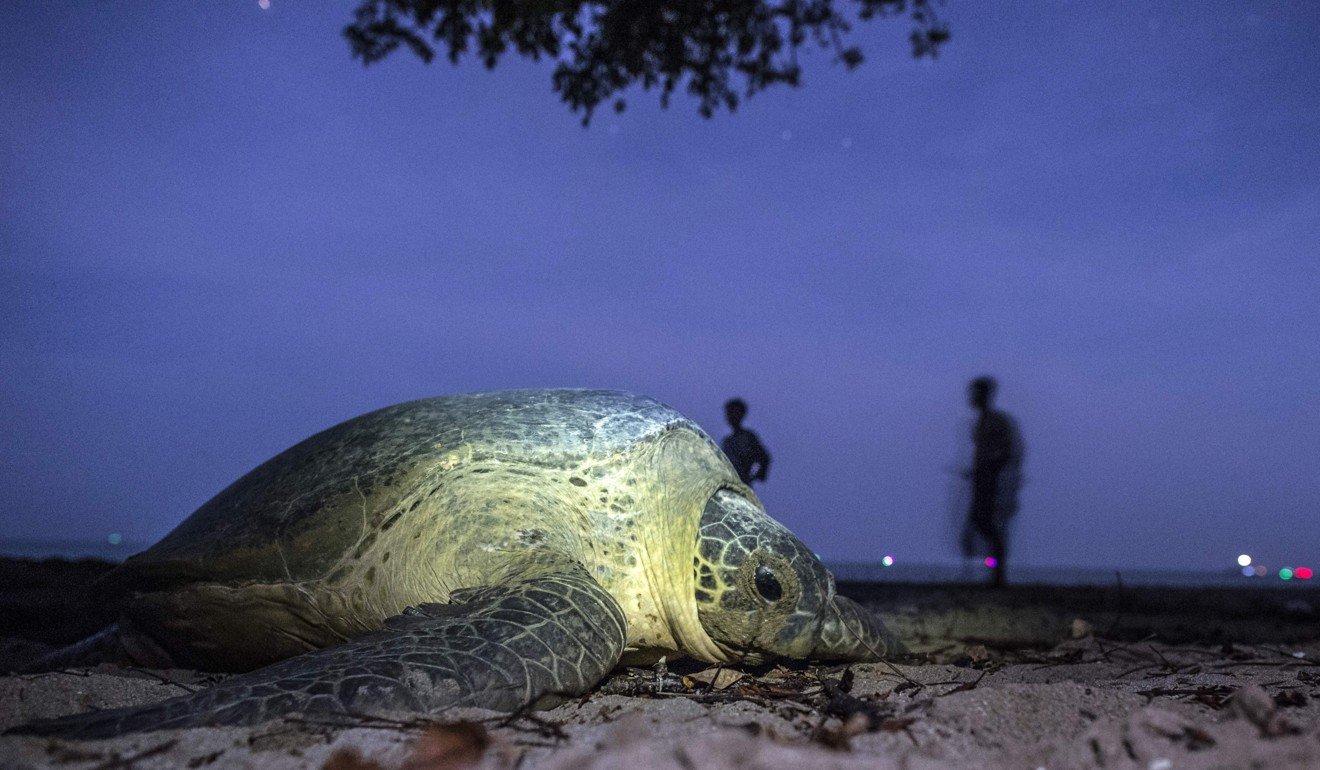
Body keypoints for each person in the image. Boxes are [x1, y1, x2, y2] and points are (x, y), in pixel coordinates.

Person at [963, 376, 1024, 587]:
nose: (971, 397)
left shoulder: (996, 422)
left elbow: (1006, 452)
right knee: (984, 523)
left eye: (975, 393)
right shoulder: (981, 422)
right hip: (983, 480)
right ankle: (996, 575)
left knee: (991, 524)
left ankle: (999, 576)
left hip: (994, 482)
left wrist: (991, 469)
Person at [721, 398, 771, 486]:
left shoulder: (747, 437)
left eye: (735, 412)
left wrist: (753, 476)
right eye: (729, 413)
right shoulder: (727, 441)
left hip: (742, 484)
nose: (731, 416)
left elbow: (764, 458)